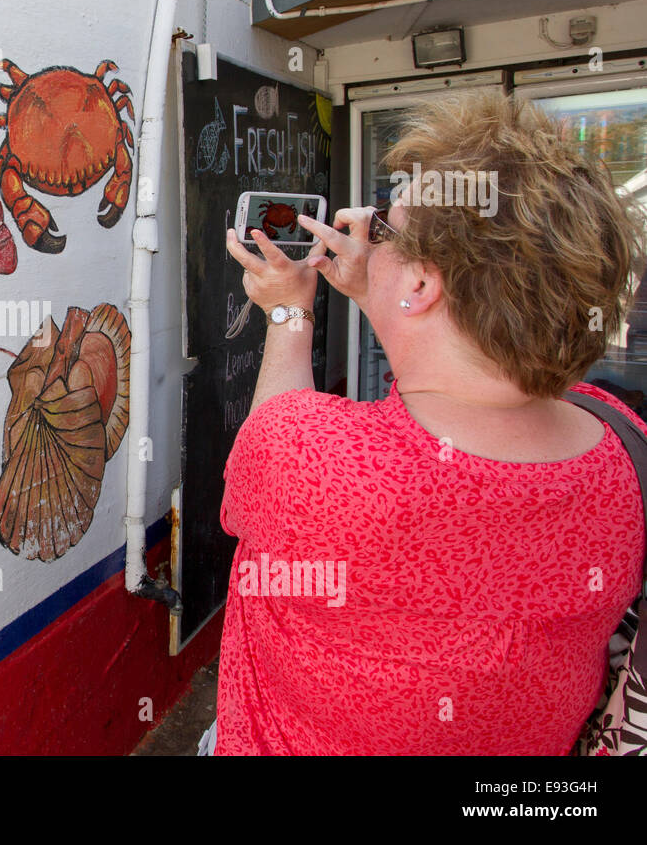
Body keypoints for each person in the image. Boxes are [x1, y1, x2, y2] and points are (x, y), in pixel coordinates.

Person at [208, 90, 647, 755]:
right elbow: (466, 375)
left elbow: (270, 444)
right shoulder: (620, 440)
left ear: (423, 285)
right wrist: (384, 289)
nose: (366, 230)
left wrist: (288, 310)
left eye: (385, 227)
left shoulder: (310, 457)